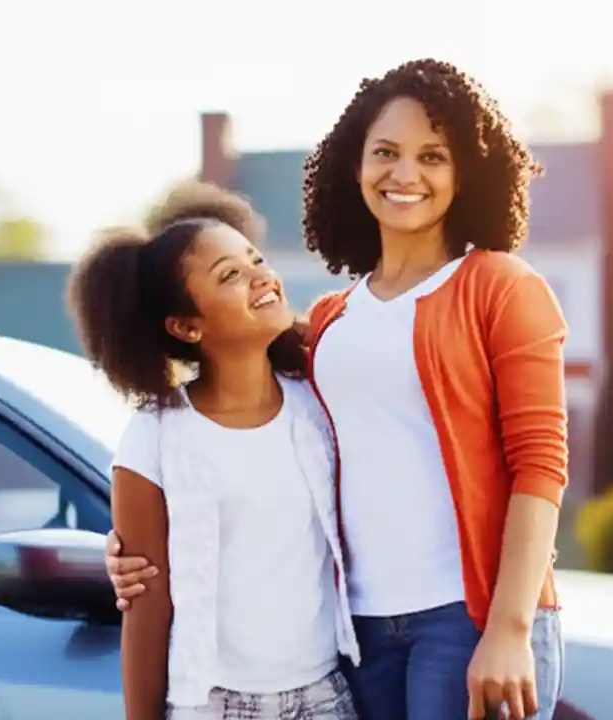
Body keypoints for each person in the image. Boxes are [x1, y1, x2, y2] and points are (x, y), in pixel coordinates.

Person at [105, 59, 568, 720]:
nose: (405, 174)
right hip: (358, 638)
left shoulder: (499, 287)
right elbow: (240, 423)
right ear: (356, 166)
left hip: (469, 619)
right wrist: (136, 542)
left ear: (464, 171)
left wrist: (511, 627)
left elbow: (540, 464)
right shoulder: (325, 324)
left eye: (432, 156)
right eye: (386, 152)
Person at [67, 182, 360, 720]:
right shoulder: (155, 437)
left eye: (255, 260)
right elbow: (146, 606)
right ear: (185, 325)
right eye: (229, 275)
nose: (261, 277)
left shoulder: (319, 403)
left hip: (326, 694)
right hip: (213, 705)